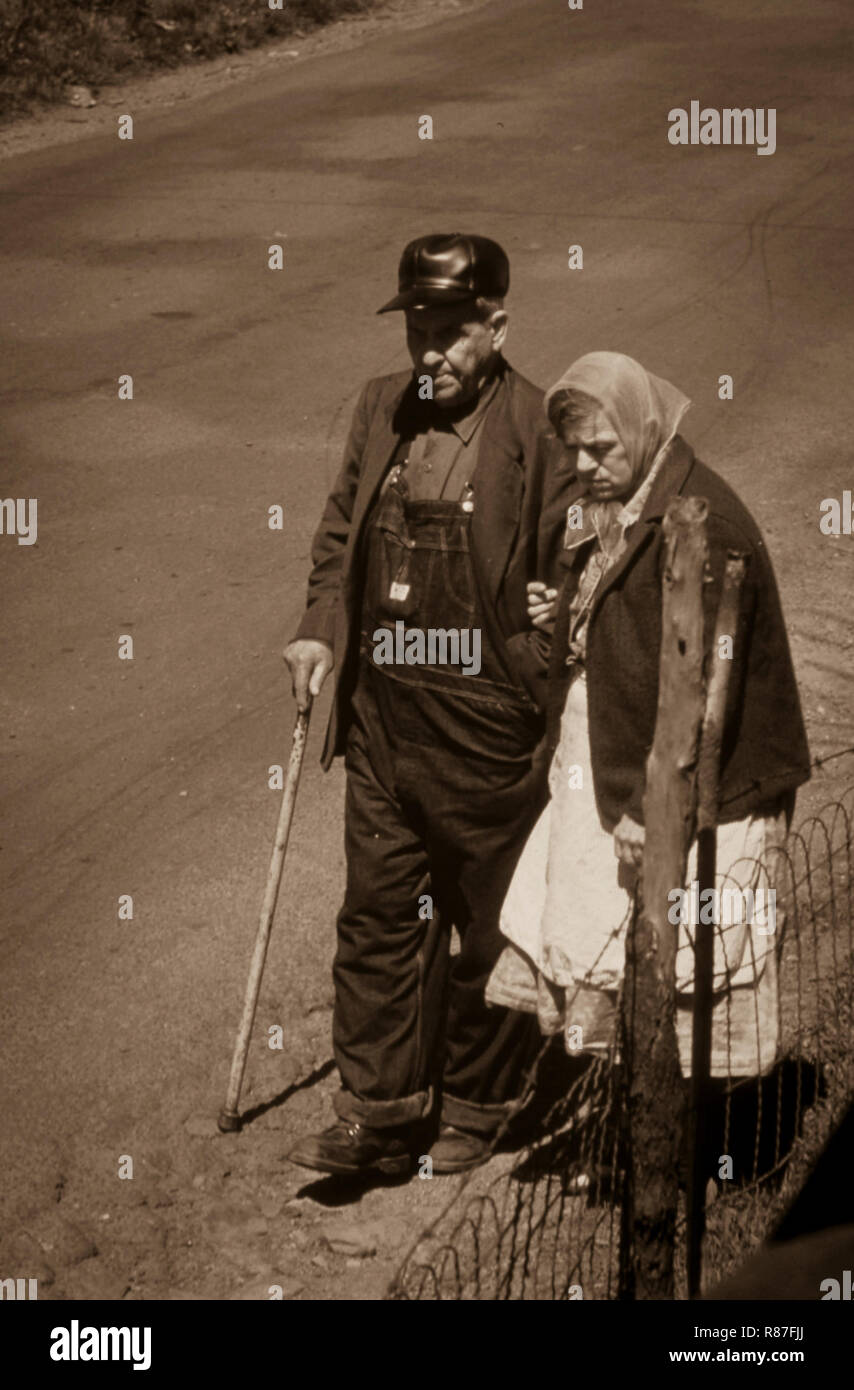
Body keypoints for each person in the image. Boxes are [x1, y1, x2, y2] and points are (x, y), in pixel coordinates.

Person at [283, 233, 568, 1176]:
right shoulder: (379, 407)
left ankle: (481, 1104)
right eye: (417, 330)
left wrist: (546, 628)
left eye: (449, 333)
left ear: (497, 324)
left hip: (488, 724)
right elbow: (339, 533)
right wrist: (322, 628)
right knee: (378, 914)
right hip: (384, 716)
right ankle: (381, 1112)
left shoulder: (538, 428)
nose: (429, 354)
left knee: (484, 922)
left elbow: (575, 560)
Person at [486, 351, 811, 1078]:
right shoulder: (631, 501)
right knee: (623, 964)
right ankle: (631, 1138)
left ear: (646, 427)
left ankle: (693, 1157)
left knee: (684, 969)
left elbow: (706, 688)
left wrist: (649, 806)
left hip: (691, 787)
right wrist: (569, 610)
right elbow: (630, 620)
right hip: (619, 769)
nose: (585, 465)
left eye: (602, 448)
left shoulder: (701, 521)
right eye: (573, 450)